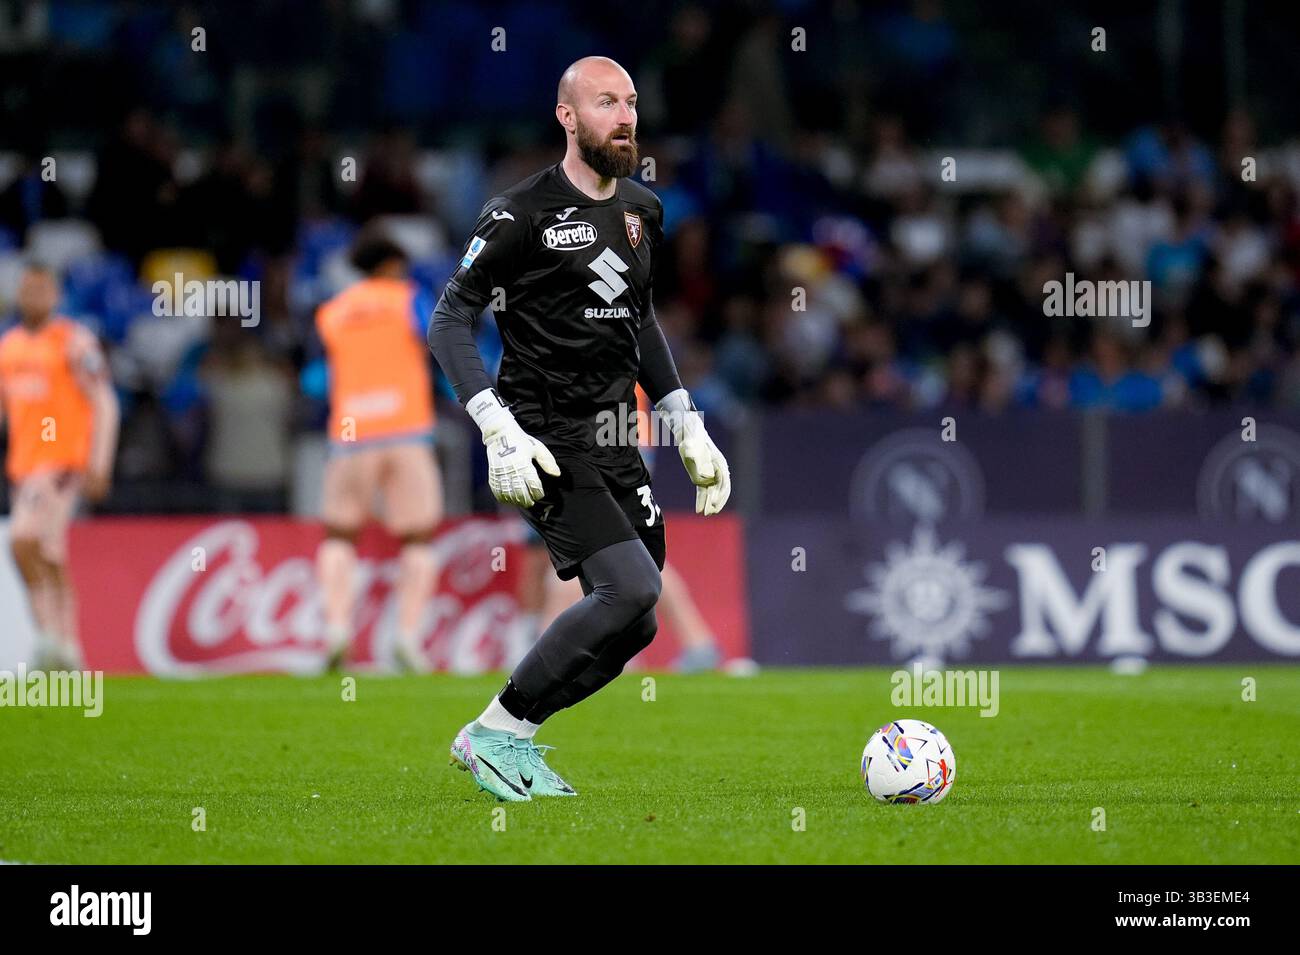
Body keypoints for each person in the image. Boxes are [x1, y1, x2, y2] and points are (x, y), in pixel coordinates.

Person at [429, 56, 730, 801]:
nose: (624, 116)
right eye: (605, 103)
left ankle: (514, 737)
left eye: (630, 102)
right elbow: (450, 319)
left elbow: (640, 318)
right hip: (542, 435)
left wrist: (681, 420)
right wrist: (496, 428)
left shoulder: (643, 211)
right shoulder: (517, 213)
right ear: (567, 117)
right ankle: (492, 731)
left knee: (637, 619)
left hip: (615, 435)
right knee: (626, 587)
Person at [315, 233, 444, 671]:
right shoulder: (410, 299)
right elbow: (440, 346)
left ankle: (336, 629)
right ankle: (407, 638)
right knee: (418, 537)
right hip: (408, 428)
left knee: (339, 535)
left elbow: (317, 376)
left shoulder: (332, 312)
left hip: (352, 433)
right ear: (390, 264)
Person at [0, 263, 119, 670]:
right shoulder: (9, 347)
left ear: (55, 293)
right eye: (28, 289)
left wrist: (99, 462)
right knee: (47, 551)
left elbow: (103, 400)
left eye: (42, 289)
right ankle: (63, 645)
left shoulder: (73, 341)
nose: (34, 296)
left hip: (60, 460)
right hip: (23, 465)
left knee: (22, 536)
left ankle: (52, 639)